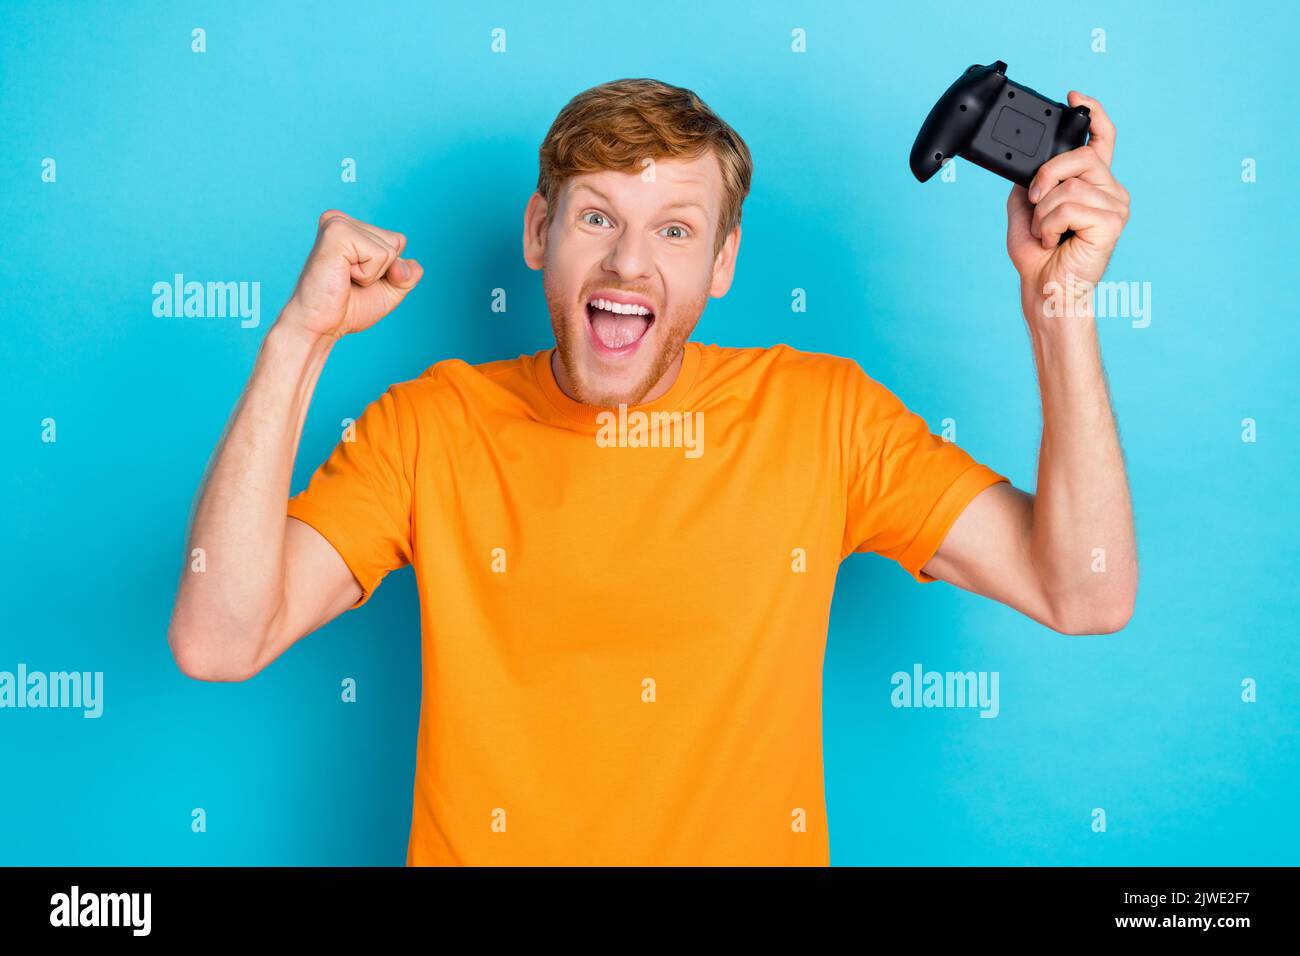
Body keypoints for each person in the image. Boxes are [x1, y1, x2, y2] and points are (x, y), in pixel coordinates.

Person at [167, 77, 1136, 865]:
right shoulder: (432, 425)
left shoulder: (821, 416)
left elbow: (1083, 589)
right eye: (597, 218)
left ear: (721, 263)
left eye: (675, 229)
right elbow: (221, 638)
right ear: (538, 234)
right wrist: (299, 342)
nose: (629, 264)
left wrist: (1060, 302)